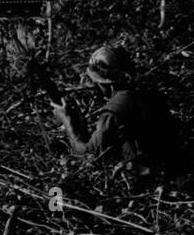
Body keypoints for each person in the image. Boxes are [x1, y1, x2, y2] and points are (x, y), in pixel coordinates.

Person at [50, 45, 175, 186]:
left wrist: (67, 121)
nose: (95, 85)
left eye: (97, 82)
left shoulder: (114, 111)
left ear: (108, 84)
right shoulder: (152, 95)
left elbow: (89, 156)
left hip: (145, 181)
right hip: (170, 170)